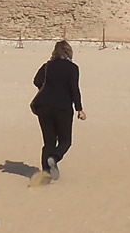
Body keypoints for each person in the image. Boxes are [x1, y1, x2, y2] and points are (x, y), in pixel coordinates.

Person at [31, 40, 86, 181]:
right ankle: (54, 158)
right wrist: (79, 109)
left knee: (49, 143)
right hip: (63, 108)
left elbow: (36, 81)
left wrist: (48, 89)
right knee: (65, 141)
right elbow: (74, 89)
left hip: (43, 106)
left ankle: (45, 174)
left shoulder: (48, 65)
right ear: (69, 52)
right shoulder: (73, 68)